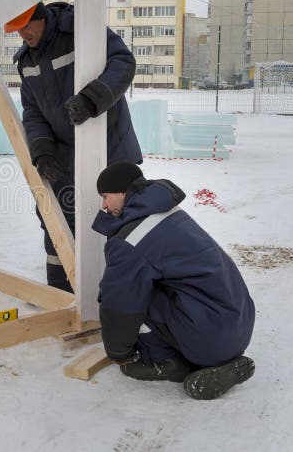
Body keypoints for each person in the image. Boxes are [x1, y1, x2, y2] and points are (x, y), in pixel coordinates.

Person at [6, 1, 142, 293]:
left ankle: (119, 295)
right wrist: (41, 148)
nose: (23, 35)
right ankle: (61, 292)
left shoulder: (80, 30)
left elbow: (123, 62)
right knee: (54, 217)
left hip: (109, 148)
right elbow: (32, 111)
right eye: (17, 30)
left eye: (26, 25)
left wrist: (92, 99)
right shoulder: (26, 62)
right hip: (65, 159)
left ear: (40, 16)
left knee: (118, 218)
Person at [91, 161, 256, 400]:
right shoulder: (167, 211)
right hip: (238, 324)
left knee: (131, 292)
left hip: (209, 336)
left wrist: (118, 352)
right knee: (146, 282)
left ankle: (166, 361)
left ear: (124, 192)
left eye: (106, 196)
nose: (104, 206)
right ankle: (218, 359)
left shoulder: (132, 240)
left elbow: (119, 304)